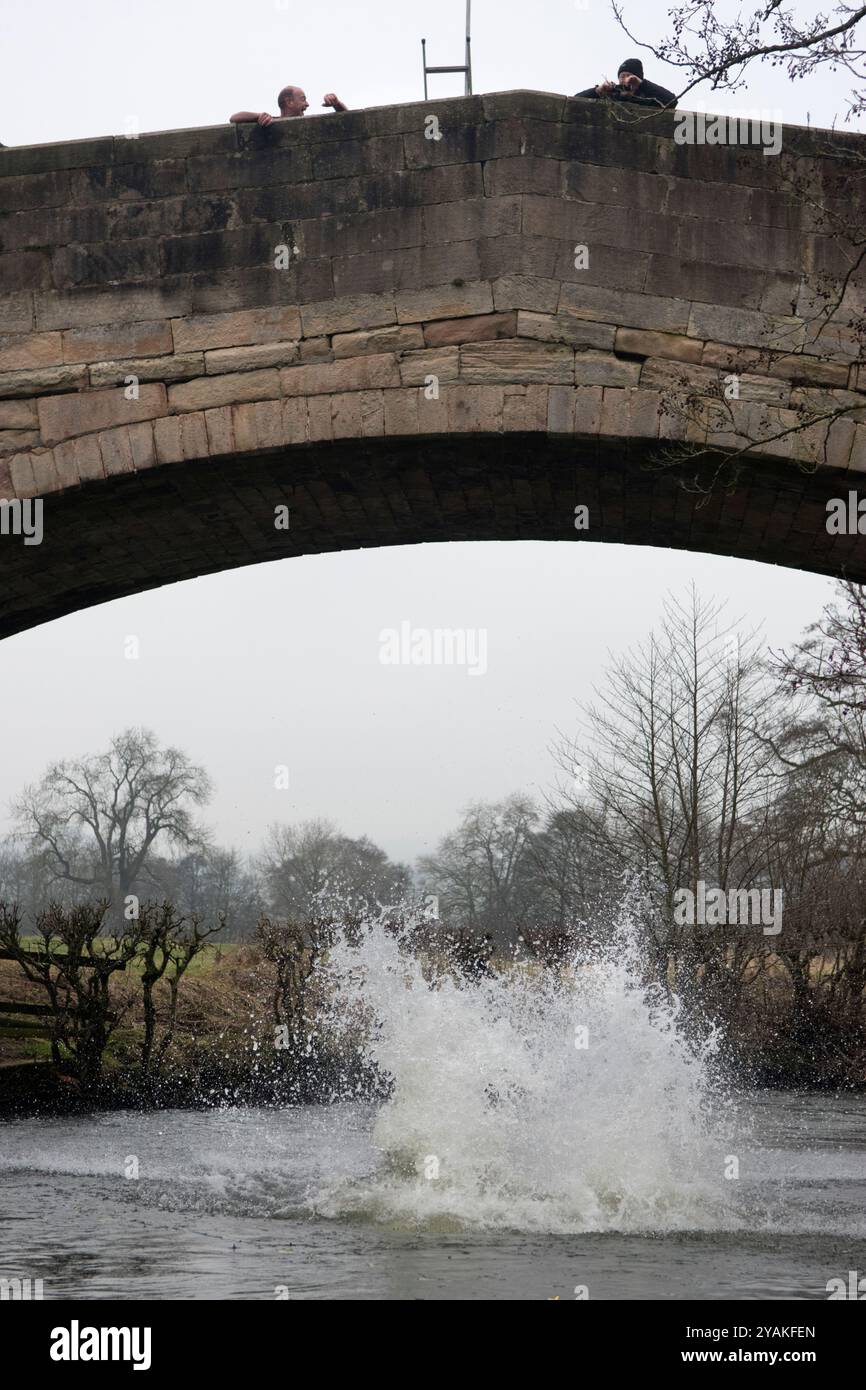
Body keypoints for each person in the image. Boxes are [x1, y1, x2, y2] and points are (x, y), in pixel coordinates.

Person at [574, 58, 677, 110]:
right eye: (622, 76)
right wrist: (598, 90)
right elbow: (575, 101)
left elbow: (672, 101)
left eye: (629, 76)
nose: (625, 80)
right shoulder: (612, 95)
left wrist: (642, 84)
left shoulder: (646, 97)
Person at [229, 85, 347, 125]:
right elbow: (234, 118)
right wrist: (258, 116)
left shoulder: (309, 122)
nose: (307, 104)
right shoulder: (272, 121)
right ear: (289, 102)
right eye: (303, 99)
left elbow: (348, 119)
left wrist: (336, 104)